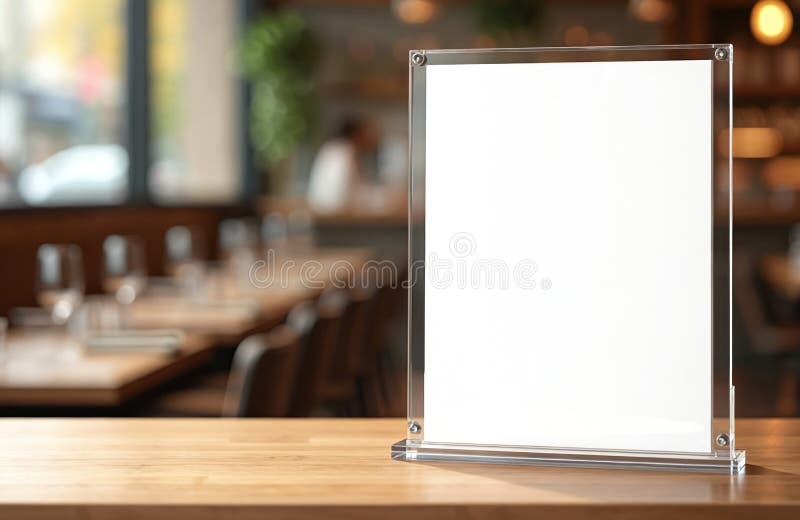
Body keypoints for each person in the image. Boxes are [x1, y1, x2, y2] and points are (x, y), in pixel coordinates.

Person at [307, 117, 377, 213]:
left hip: (322, 211)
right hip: (335, 216)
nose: (369, 138)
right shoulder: (345, 152)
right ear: (357, 135)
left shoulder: (332, 147)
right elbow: (344, 194)